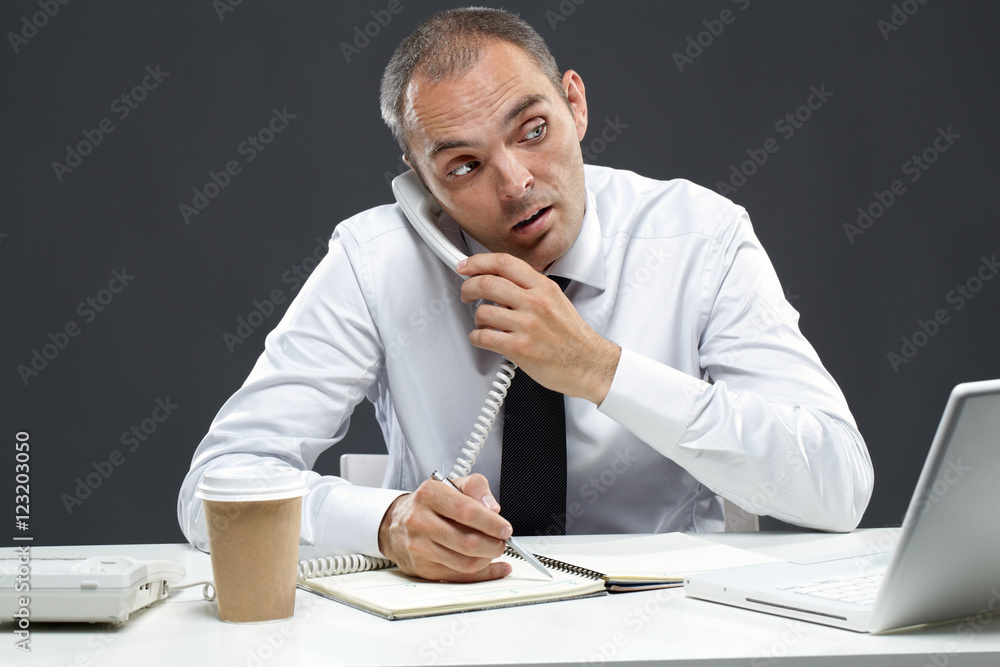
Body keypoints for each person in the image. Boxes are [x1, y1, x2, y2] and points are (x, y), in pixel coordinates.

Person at [178, 7, 874, 583]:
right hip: (448, 628)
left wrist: (601, 369)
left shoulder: (701, 237)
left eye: (533, 131)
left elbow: (839, 487)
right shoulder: (375, 259)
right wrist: (385, 522)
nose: (515, 183)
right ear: (421, 181)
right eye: (464, 165)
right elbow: (214, 487)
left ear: (576, 103)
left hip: (664, 620)